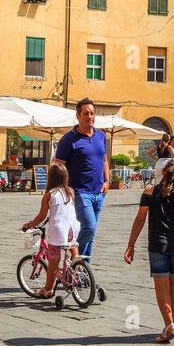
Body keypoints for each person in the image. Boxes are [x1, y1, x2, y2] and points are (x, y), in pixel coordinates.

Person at [125, 158, 174, 343]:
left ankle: (169, 325)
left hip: (157, 244)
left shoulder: (149, 192)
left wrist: (131, 244)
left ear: (164, 171)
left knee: (161, 286)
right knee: (173, 283)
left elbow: (140, 219)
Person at [53, 99, 110, 264]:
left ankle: (83, 271)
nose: (90, 117)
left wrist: (107, 181)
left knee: (91, 234)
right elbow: (58, 167)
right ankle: (75, 260)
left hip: (99, 192)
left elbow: (105, 160)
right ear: (78, 116)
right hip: (80, 192)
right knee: (89, 227)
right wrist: (62, 190)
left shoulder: (101, 136)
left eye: (92, 113)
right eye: (86, 114)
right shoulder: (69, 139)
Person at [21, 163, 80, 299]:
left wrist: (30, 225)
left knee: (54, 261)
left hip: (58, 229)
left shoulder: (49, 195)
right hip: (73, 227)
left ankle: (48, 290)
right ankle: (78, 269)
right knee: (73, 248)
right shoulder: (71, 191)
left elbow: (41, 216)